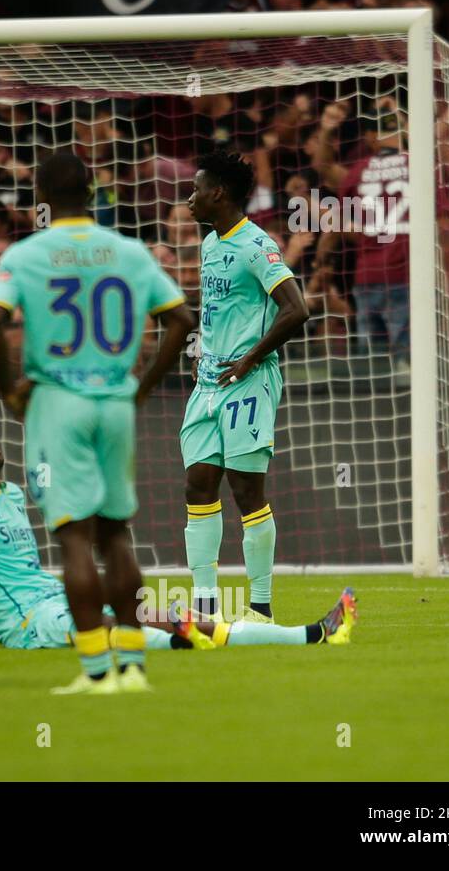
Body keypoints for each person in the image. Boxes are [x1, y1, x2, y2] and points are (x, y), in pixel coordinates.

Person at [0, 152, 195, 695]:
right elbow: (181, 319)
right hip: (116, 402)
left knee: (74, 536)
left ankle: (97, 673)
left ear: (41, 200)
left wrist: (8, 389)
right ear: (92, 193)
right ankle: (134, 668)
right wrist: (142, 386)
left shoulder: (26, 254)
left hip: (59, 399)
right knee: (116, 532)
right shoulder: (130, 251)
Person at [0, 433, 357, 652]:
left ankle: (313, 633)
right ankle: (185, 642)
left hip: (55, 599)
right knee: (134, 626)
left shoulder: (10, 494)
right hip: (35, 621)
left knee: (172, 617)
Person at [180, 149, 309, 625]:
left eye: (196, 189)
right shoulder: (211, 242)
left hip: (250, 379)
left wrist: (251, 356)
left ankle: (260, 608)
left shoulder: (257, 246)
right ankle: (207, 607)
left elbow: (297, 308)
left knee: (245, 488)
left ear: (219, 193)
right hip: (209, 381)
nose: (190, 197)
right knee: (197, 484)